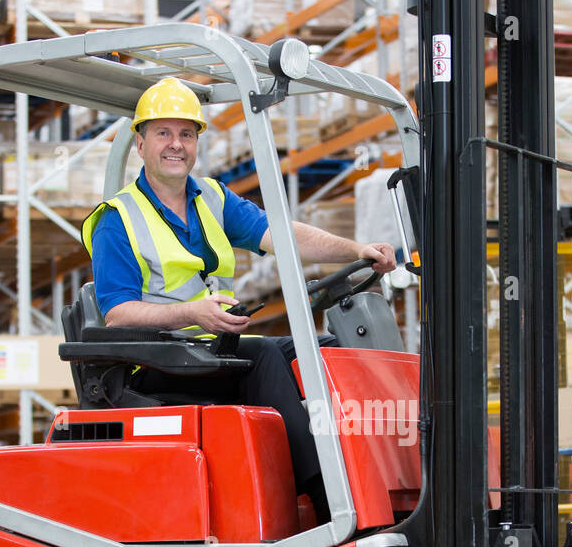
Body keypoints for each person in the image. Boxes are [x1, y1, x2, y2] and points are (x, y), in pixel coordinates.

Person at [81, 76, 398, 523]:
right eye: (163, 133)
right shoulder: (117, 219)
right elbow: (117, 315)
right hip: (155, 362)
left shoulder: (210, 197)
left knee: (328, 350)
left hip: (212, 350)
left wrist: (355, 249)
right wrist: (192, 313)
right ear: (141, 142)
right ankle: (334, 510)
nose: (176, 144)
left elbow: (284, 236)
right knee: (267, 355)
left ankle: (383, 484)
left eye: (186, 134)